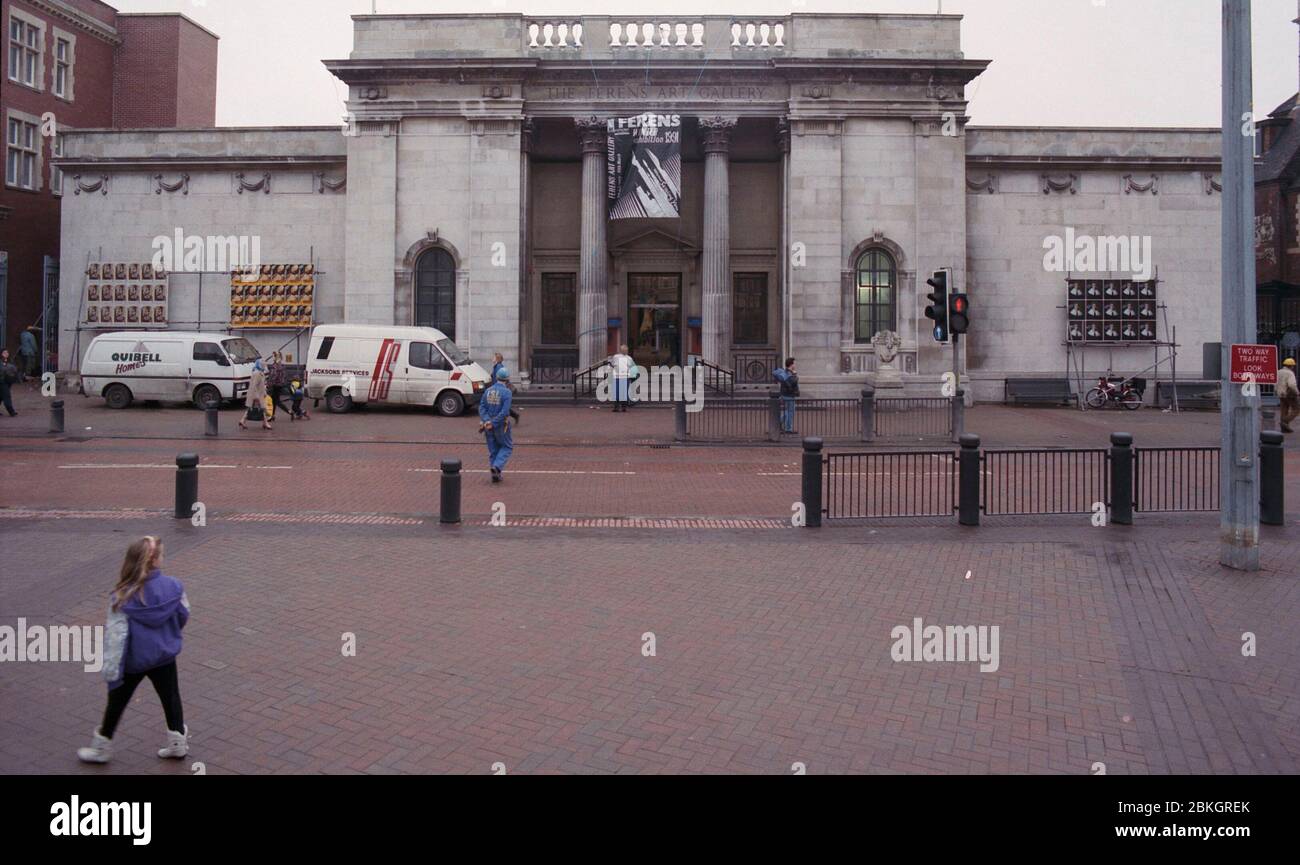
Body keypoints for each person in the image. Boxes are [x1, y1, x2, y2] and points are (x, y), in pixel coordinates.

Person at [77, 536, 191, 764]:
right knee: (171, 698)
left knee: (117, 701)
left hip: (133, 660)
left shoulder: (121, 596)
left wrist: (111, 666)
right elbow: (183, 614)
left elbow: (116, 636)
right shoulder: (174, 586)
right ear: (156, 561)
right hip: (164, 656)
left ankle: (102, 747)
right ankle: (177, 743)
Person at [478, 367, 514, 483]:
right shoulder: (507, 392)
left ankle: (495, 475)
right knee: (507, 446)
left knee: (493, 450)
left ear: (496, 378)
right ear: (507, 380)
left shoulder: (488, 390)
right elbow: (504, 412)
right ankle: (497, 467)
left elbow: (482, 406)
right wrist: (493, 423)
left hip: (488, 424)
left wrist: (487, 420)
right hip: (500, 425)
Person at [239, 359, 272, 430]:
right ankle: (265, 423)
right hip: (257, 395)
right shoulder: (257, 374)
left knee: (251, 409)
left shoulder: (259, 373)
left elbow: (261, 385)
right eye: (263, 365)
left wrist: (264, 393)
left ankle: (242, 421)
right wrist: (256, 396)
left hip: (257, 394)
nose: (264, 366)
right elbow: (254, 385)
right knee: (262, 408)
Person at [490, 352, 521, 426]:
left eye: (493, 357)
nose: (492, 358)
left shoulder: (498, 367)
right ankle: (514, 416)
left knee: (500, 406)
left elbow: (499, 378)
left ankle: (504, 421)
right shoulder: (497, 366)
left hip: (499, 389)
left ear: (497, 359)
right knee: (501, 405)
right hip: (498, 388)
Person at [774, 357, 799, 434]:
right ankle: (788, 428)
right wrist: (795, 375)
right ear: (791, 364)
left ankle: (778, 423)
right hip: (789, 395)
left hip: (785, 394)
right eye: (794, 363)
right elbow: (792, 383)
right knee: (790, 412)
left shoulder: (786, 372)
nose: (795, 365)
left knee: (788, 411)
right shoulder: (789, 373)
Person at [609, 344, 634, 412]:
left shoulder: (616, 357)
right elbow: (632, 366)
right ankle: (622, 407)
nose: (625, 350)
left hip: (619, 376)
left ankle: (618, 407)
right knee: (622, 392)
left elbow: (612, 364)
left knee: (618, 392)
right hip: (623, 376)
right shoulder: (629, 358)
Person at [266, 351, 290, 420]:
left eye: (273, 356)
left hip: (274, 385)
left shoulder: (275, 366)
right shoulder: (281, 365)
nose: (272, 357)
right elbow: (284, 375)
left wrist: (268, 384)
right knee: (274, 400)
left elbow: (273, 376)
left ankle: (289, 411)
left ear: (276, 357)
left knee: (275, 401)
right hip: (280, 385)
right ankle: (272, 415)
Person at [1279, 357, 1299, 434]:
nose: (1293, 367)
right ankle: (1284, 421)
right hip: (1289, 393)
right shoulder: (1290, 373)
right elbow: (1292, 385)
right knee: (1296, 409)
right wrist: (1297, 392)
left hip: (1281, 394)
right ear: (1291, 366)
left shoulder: (1279, 372)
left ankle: (1284, 428)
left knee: (1284, 410)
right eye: (1293, 366)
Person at [0, 349, 17, 416]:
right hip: (2, 381)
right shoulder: (1, 362)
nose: (6, 353)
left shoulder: (10, 361)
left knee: (1, 396)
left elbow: (15, 369)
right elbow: (3, 370)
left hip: (8, 381)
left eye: (7, 352)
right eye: (4, 352)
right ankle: (11, 411)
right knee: (6, 396)